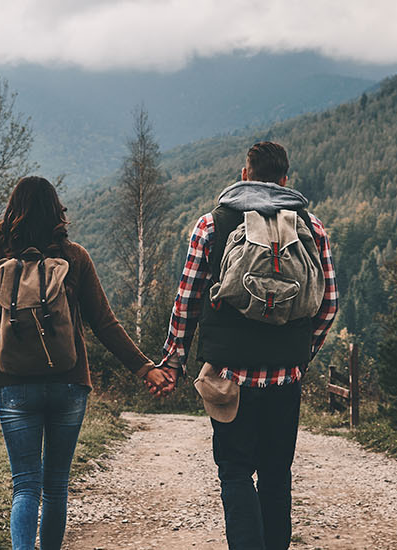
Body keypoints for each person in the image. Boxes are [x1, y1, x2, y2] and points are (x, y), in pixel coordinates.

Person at [0, 176, 172, 550]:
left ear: (12, 212)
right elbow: (105, 323)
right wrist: (145, 367)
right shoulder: (74, 258)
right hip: (69, 384)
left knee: (25, 485)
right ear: (56, 212)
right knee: (55, 485)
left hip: (14, 384)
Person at [155, 142, 338, 550]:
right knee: (276, 474)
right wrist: (301, 357)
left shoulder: (212, 225)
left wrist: (173, 361)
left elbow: (186, 302)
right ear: (285, 180)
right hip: (285, 379)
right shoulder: (313, 227)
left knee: (235, 472)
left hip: (228, 379)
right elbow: (328, 305)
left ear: (244, 174)